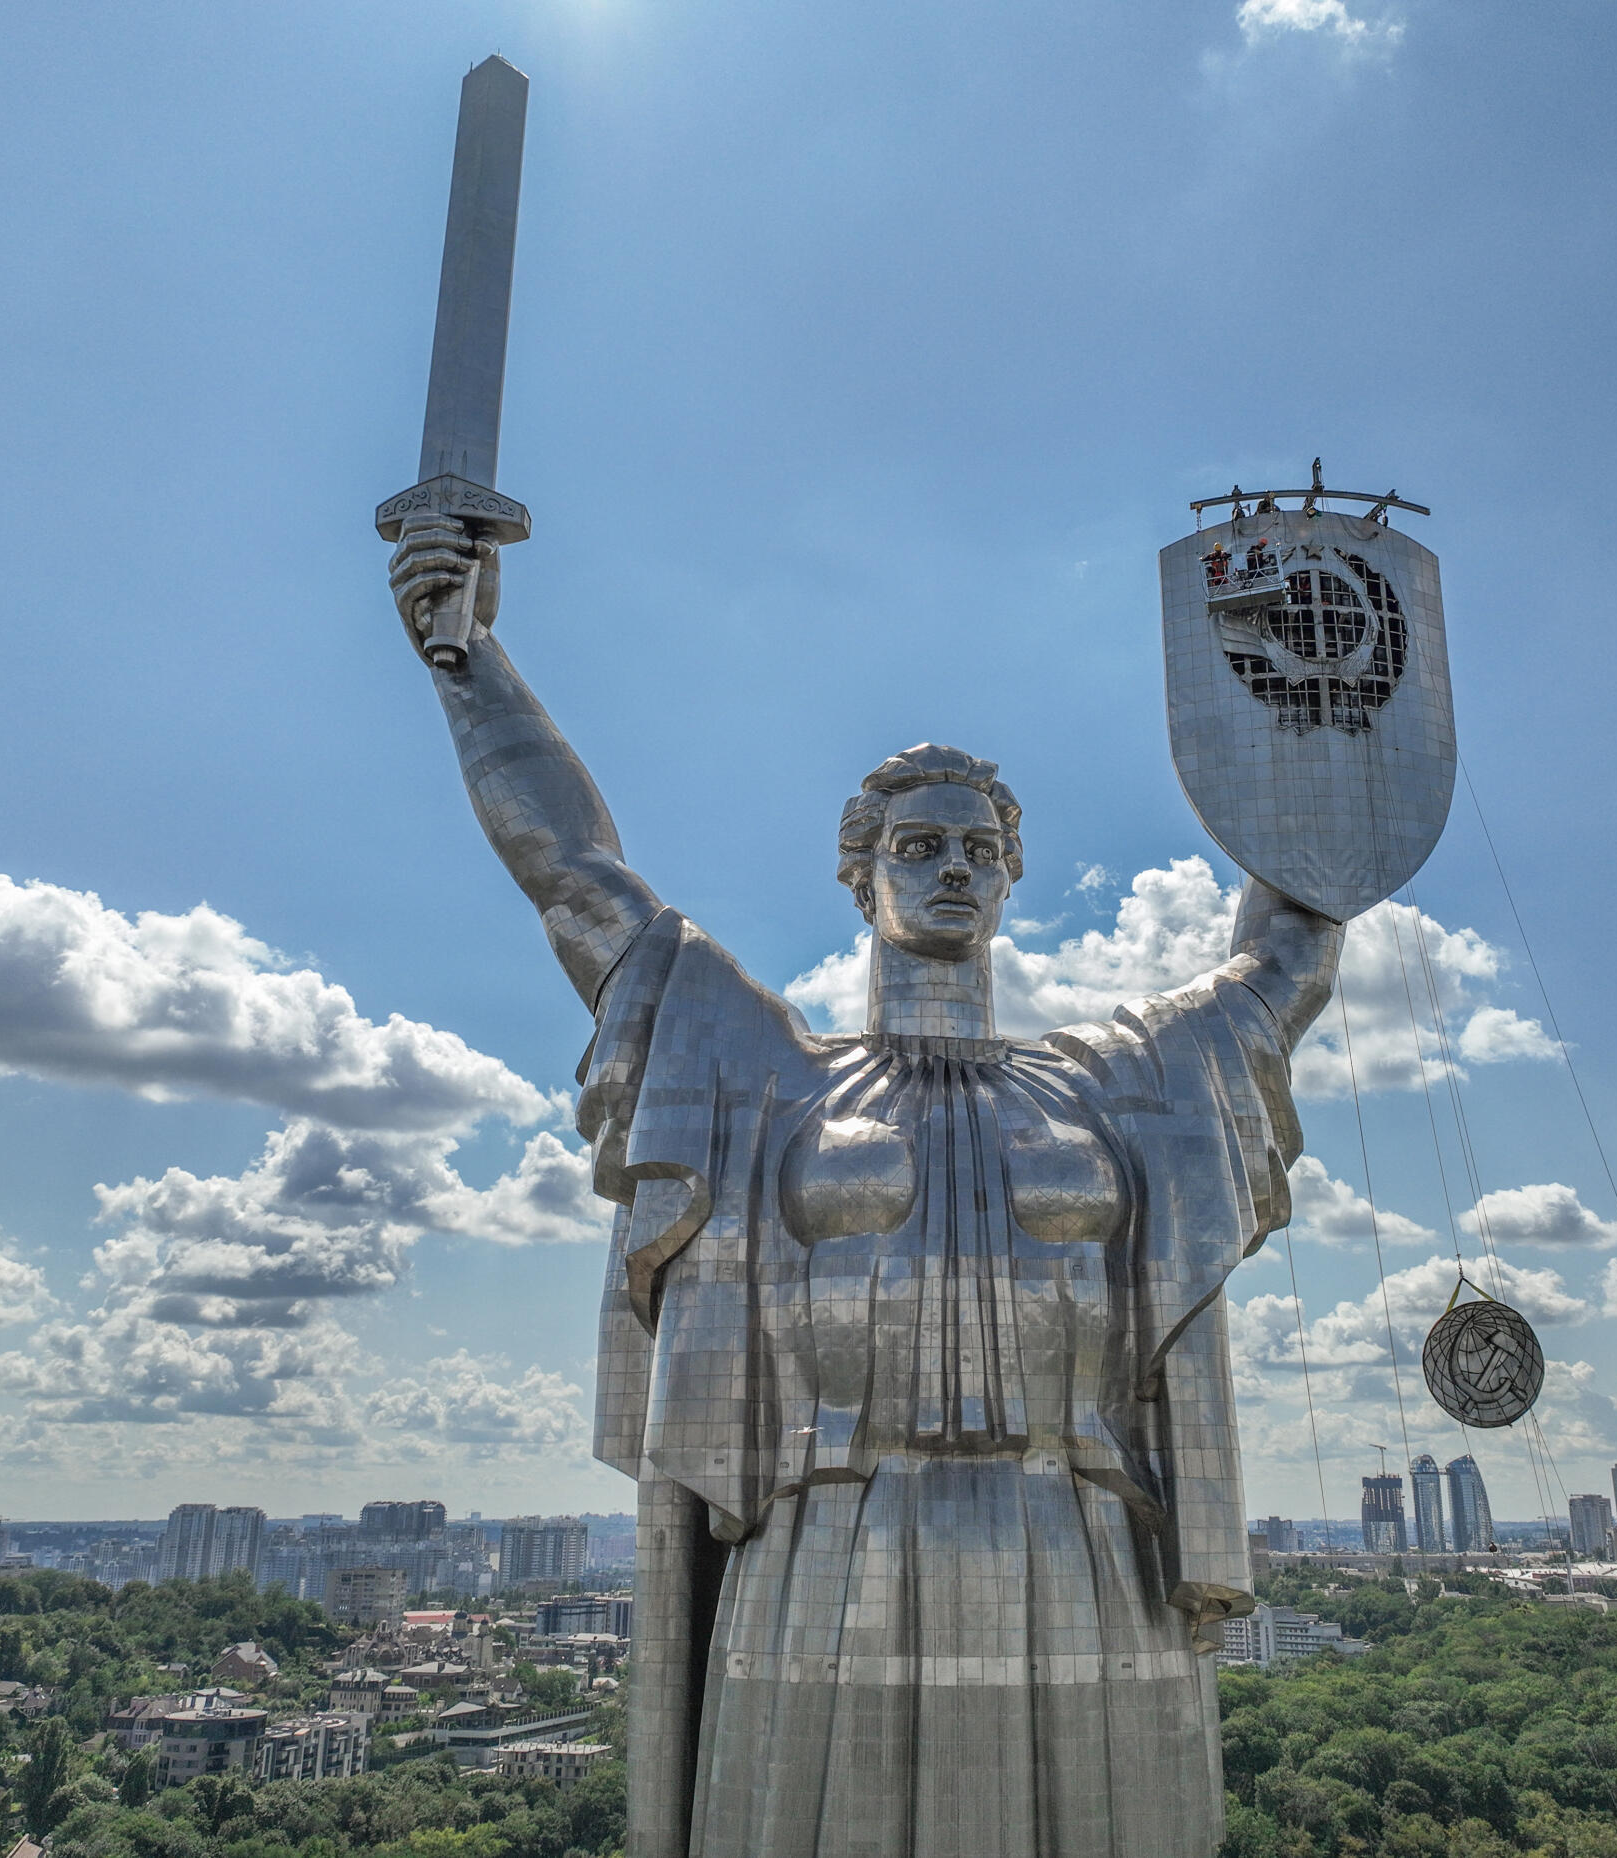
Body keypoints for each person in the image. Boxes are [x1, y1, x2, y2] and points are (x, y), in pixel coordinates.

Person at [388, 513, 1345, 1858]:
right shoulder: (771, 1076)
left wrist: (1321, 712)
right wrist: (464, 654)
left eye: (978, 848)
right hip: (831, 1546)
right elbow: (577, 880)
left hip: (1078, 1543)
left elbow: (1287, 959)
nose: (952, 865)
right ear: (864, 874)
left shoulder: (1117, 1084)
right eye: (918, 845)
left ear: (1010, 878)